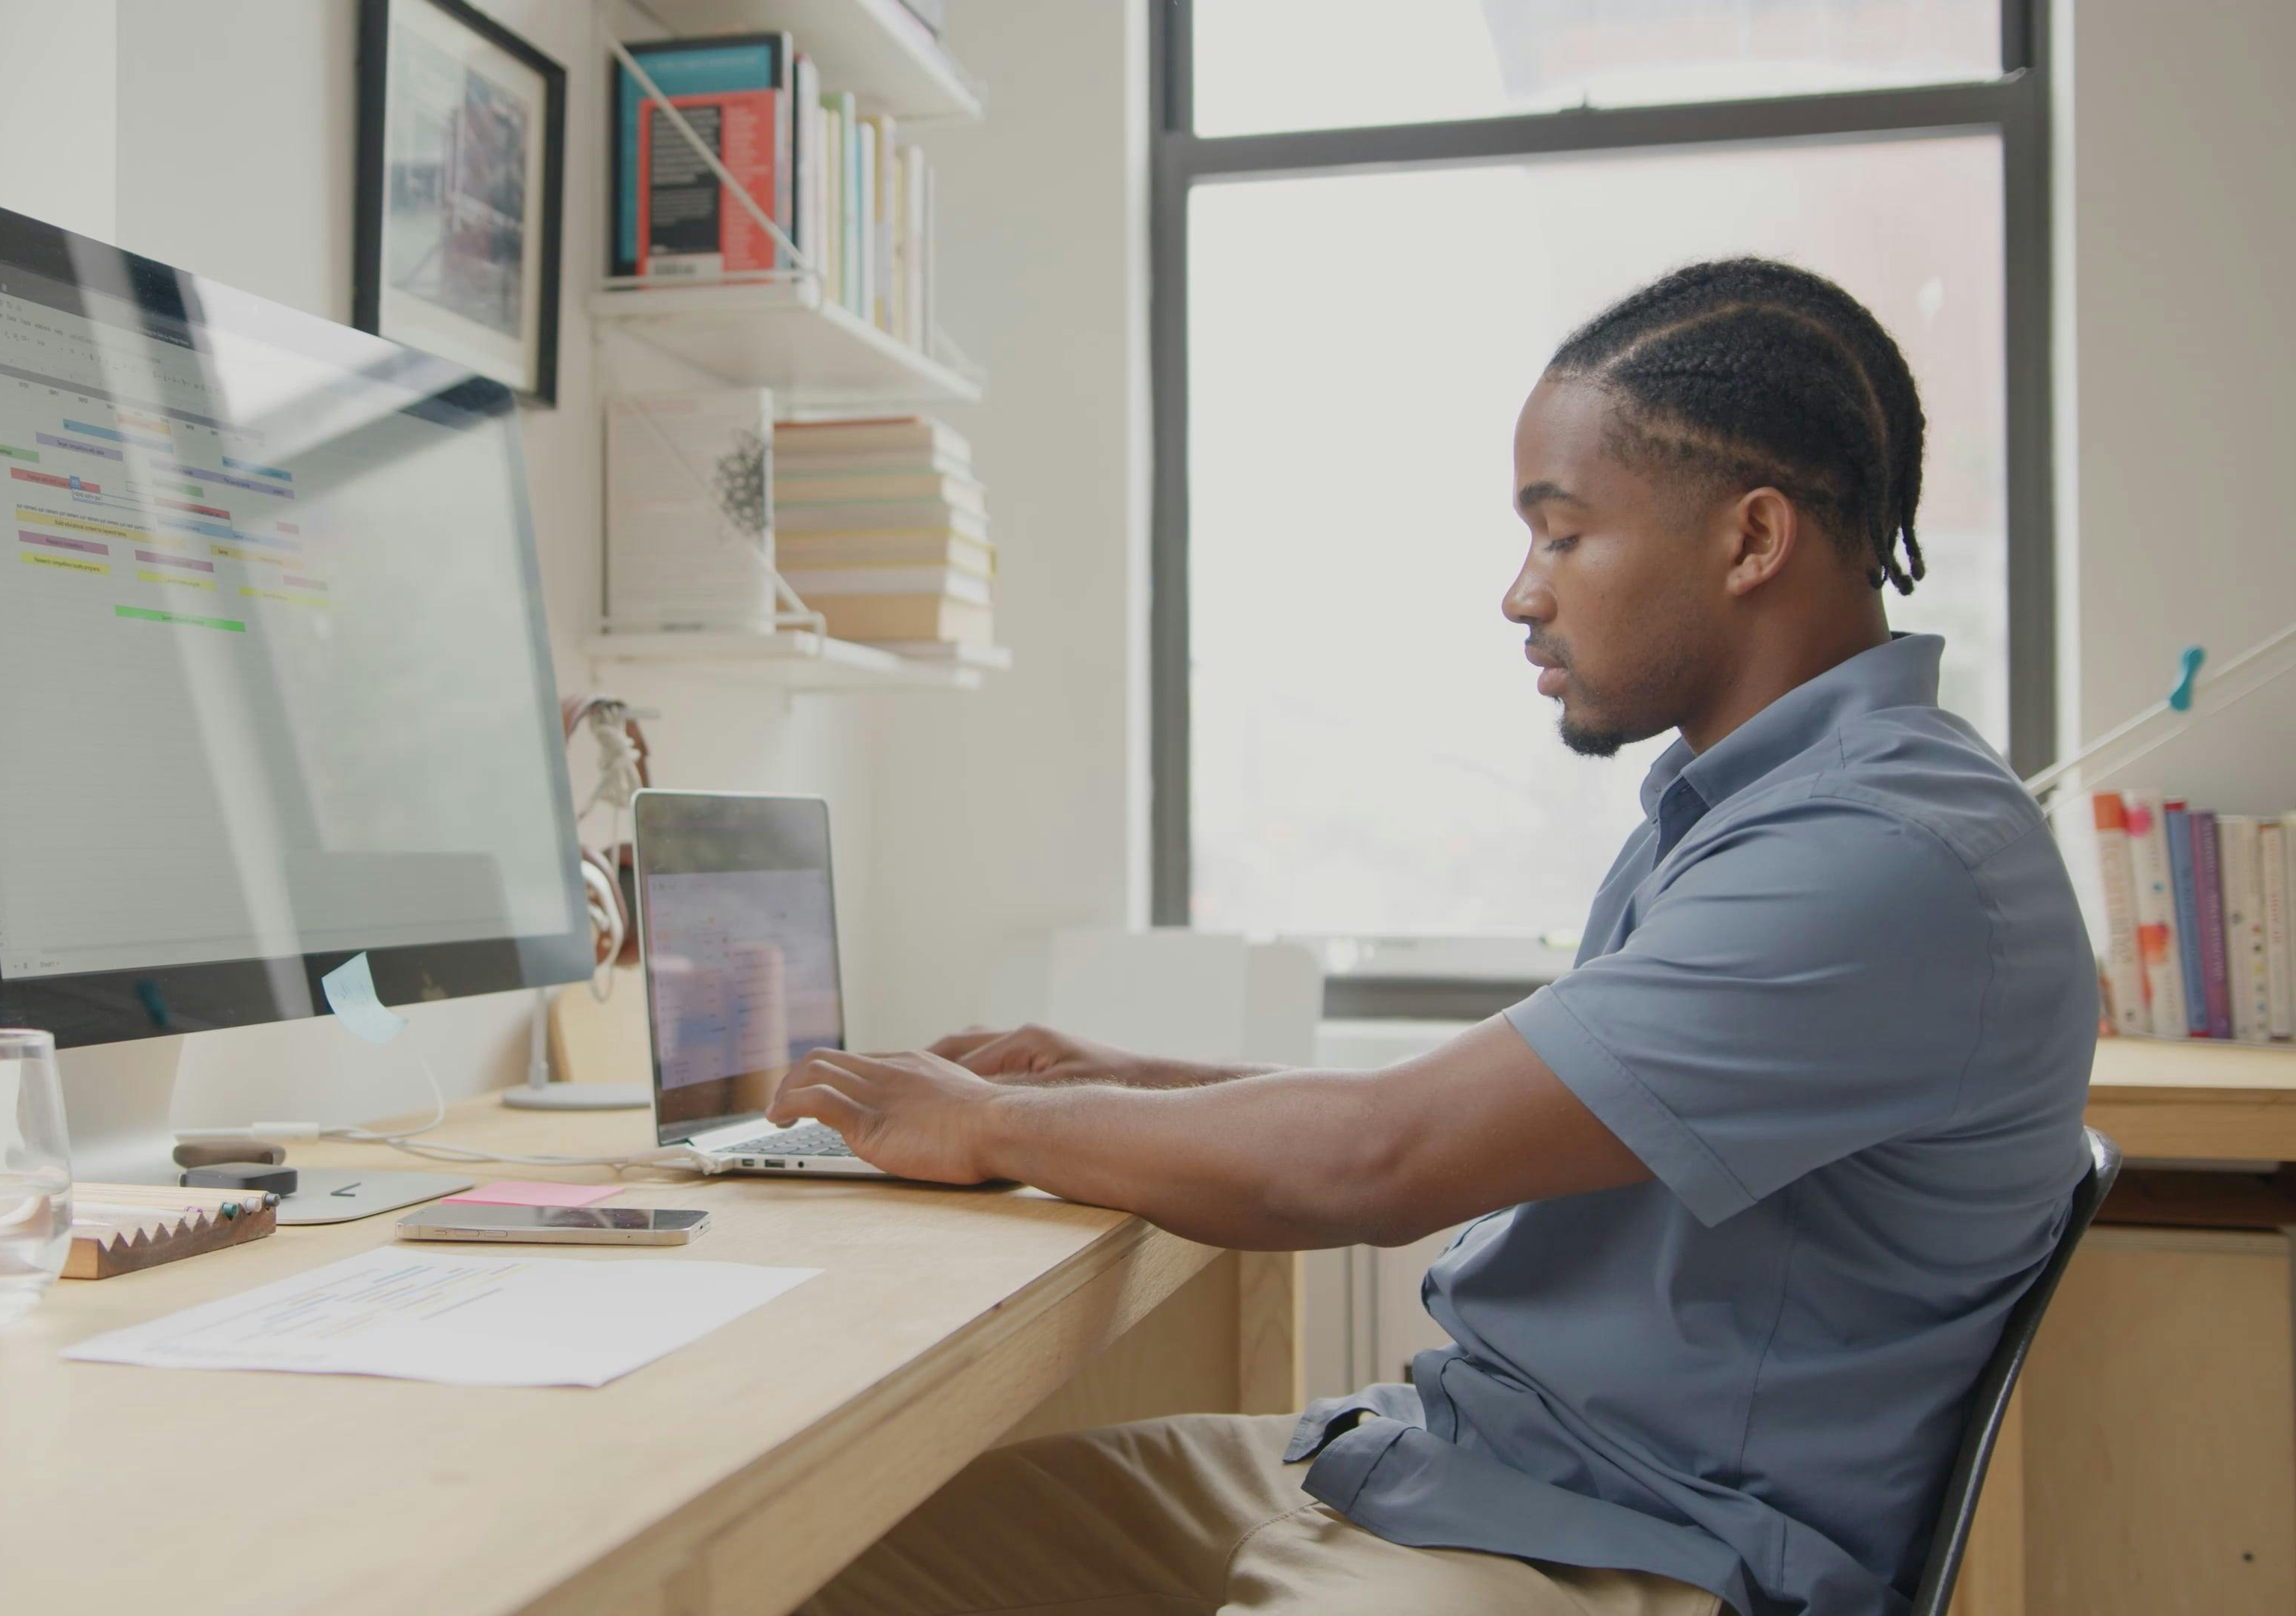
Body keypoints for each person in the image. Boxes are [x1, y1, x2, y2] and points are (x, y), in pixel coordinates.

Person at [778, 258, 2098, 1616]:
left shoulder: (1878, 857)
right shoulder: (1751, 806)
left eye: (1563, 535)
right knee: (819, 1575)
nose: (1523, 593)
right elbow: (1457, 1117)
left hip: (1622, 1553)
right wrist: (1115, 1082)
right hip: (1454, 1470)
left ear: (1752, 539)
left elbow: (1379, 1160)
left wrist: (988, 1126)